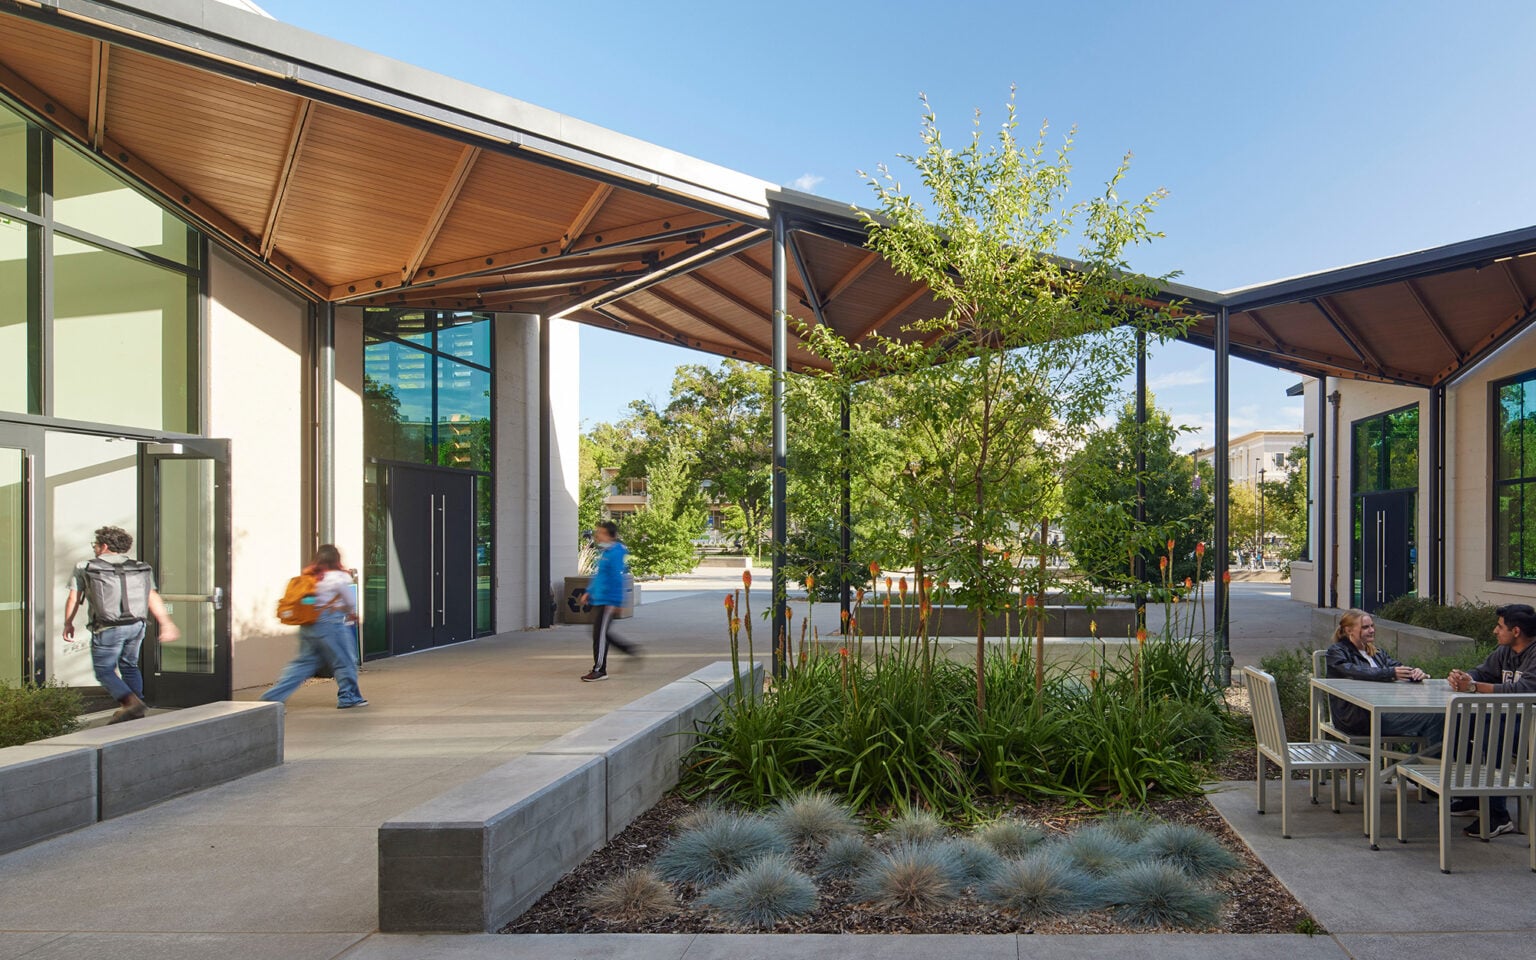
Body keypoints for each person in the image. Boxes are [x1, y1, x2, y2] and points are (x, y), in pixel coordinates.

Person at [63, 525, 181, 724]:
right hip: (136, 625)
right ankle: (136, 707)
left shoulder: (86, 566)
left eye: (96, 544)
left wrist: (68, 623)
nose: (95, 548)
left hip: (107, 627)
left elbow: (74, 598)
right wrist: (166, 623)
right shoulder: (140, 566)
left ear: (104, 546)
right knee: (129, 665)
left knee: (104, 670)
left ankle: (130, 703)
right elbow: (152, 596)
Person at [1445, 602, 1536, 837]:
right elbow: (1483, 671)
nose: (1495, 631)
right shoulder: (1505, 650)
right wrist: (1464, 676)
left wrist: (1474, 687)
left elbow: (1524, 690)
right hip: (1510, 718)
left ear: (1515, 631)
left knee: (1493, 732)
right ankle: (1473, 798)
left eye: (1499, 626)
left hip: (1531, 726)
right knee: (1463, 723)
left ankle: (1498, 814)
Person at [260, 545, 367, 709]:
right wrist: (349, 612)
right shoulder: (339, 577)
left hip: (309, 624)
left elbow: (307, 601)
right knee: (345, 660)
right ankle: (349, 697)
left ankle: (271, 698)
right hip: (331, 624)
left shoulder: (311, 577)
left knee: (303, 664)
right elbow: (350, 601)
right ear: (336, 559)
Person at [1324, 608, 1443, 748]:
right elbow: (1355, 671)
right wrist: (1390, 673)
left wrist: (1415, 673)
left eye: (1372, 626)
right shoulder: (1336, 652)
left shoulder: (1377, 653)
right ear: (1349, 630)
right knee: (1436, 718)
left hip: (1384, 711)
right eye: (1365, 627)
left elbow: (1396, 667)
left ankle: (1418, 764)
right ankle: (1425, 766)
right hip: (1358, 718)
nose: (1371, 630)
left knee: (1439, 716)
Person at [578, 520, 636, 682]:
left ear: (610, 535)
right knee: (600, 634)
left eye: (601, 532)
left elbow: (617, 578)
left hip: (608, 600)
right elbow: (600, 576)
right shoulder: (605, 552)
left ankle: (600, 670)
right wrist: (588, 592)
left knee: (600, 635)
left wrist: (618, 601)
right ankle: (626, 650)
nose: (597, 535)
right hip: (599, 598)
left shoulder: (616, 553)